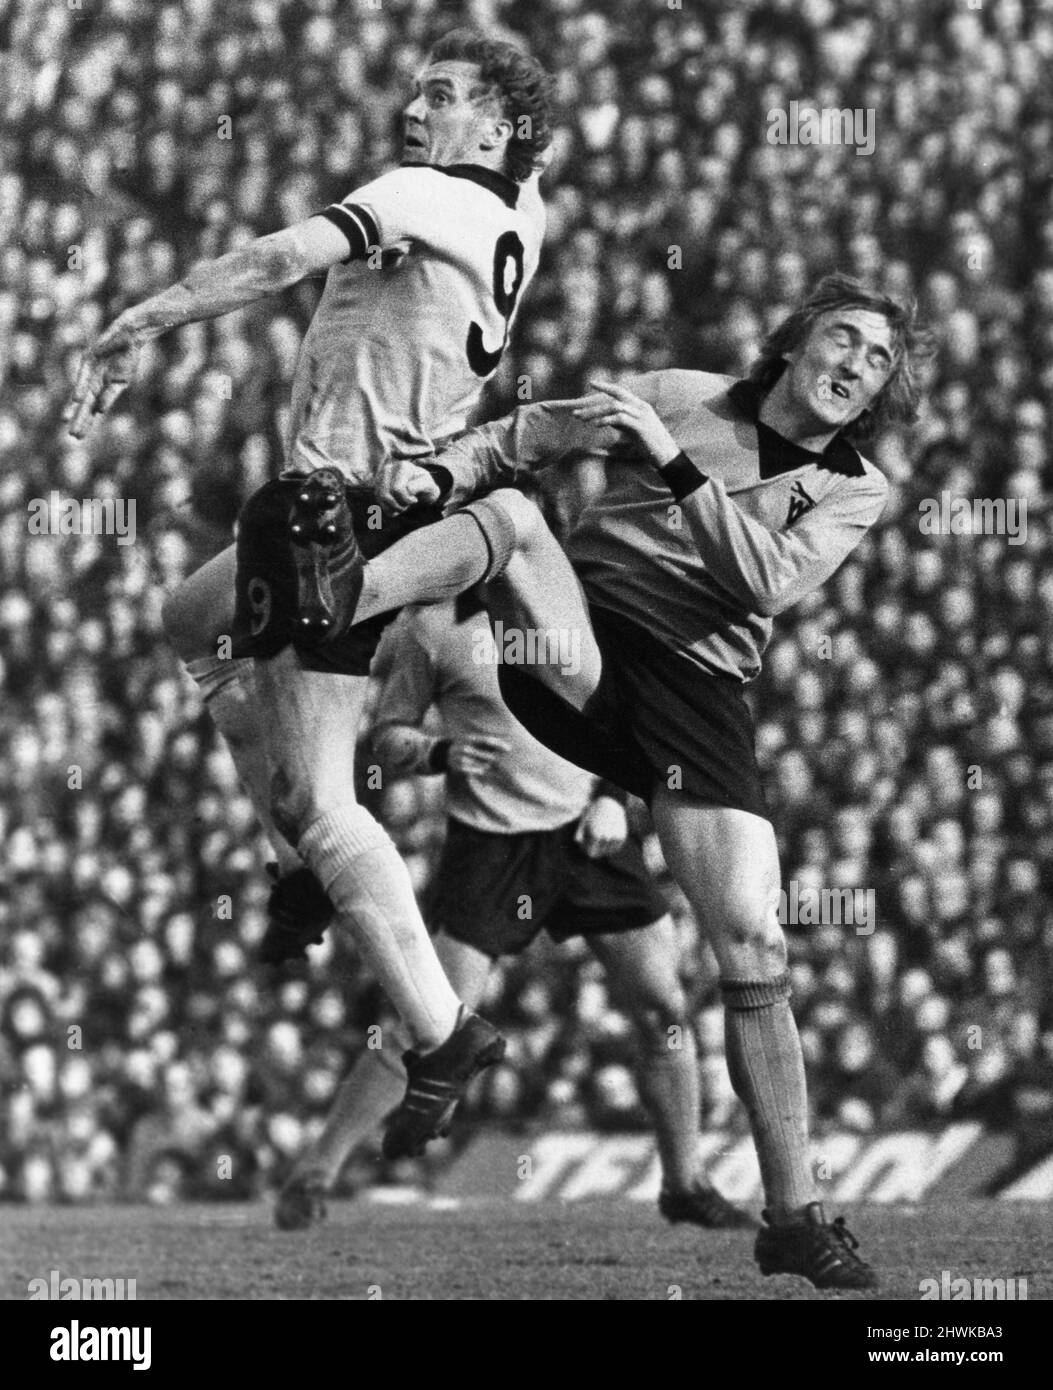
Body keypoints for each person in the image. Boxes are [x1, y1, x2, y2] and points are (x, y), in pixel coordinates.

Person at [289, 273, 934, 1288]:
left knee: (753, 943)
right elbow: (532, 431)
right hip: (581, 646)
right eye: (843, 338)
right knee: (509, 510)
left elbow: (762, 577)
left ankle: (794, 1217)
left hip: (700, 690)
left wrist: (671, 464)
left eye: (879, 357)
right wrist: (439, 471)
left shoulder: (855, 484)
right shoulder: (680, 391)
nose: (857, 364)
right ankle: (339, 590)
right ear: (796, 339)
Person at [63, 30, 554, 1160]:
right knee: (191, 622)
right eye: (416, 89)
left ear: (493, 126)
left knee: (325, 802)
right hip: (390, 501)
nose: (413, 108)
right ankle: (295, 871)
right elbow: (527, 172)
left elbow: (282, 259)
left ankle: (440, 1028)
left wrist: (146, 317)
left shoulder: (425, 192)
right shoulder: (522, 208)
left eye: (443, 94)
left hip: (332, 510)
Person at [275, 588, 754, 1235]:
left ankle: (685, 1181)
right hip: (492, 844)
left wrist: (614, 795)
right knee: (432, 1022)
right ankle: (316, 1170)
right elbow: (386, 736)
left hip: (588, 832)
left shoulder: (577, 603)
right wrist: (437, 754)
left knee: (662, 1005)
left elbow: (624, 710)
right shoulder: (431, 629)